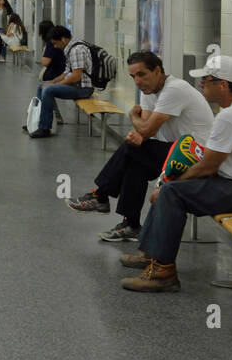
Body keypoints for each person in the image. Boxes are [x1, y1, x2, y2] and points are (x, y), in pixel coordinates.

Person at [119, 55, 232, 292]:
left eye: (205, 81)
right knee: (169, 184)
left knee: (171, 192)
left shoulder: (230, 116)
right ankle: (151, 255)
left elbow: (209, 166)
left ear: (223, 85)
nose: (200, 85)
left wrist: (168, 184)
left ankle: (163, 272)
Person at [67, 51, 214, 241]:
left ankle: (100, 195)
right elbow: (143, 131)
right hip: (178, 151)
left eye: (141, 74)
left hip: (198, 157)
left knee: (133, 149)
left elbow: (146, 129)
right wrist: (140, 130)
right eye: (133, 76)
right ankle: (131, 224)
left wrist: (133, 117)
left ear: (157, 71)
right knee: (136, 162)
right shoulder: (148, 90)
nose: (137, 81)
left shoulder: (175, 89)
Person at [29, 26, 93, 137]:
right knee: (42, 85)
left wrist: (54, 85)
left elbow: (76, 76)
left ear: (63, 39)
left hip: (83, 88)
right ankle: (37, 122)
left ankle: (45, 128)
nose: (55, 46)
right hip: (76, 85)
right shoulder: (70, 49)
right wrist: (52, 82)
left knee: (48, 90)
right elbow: (66, 73)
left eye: (55, 43)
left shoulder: (76, 50)